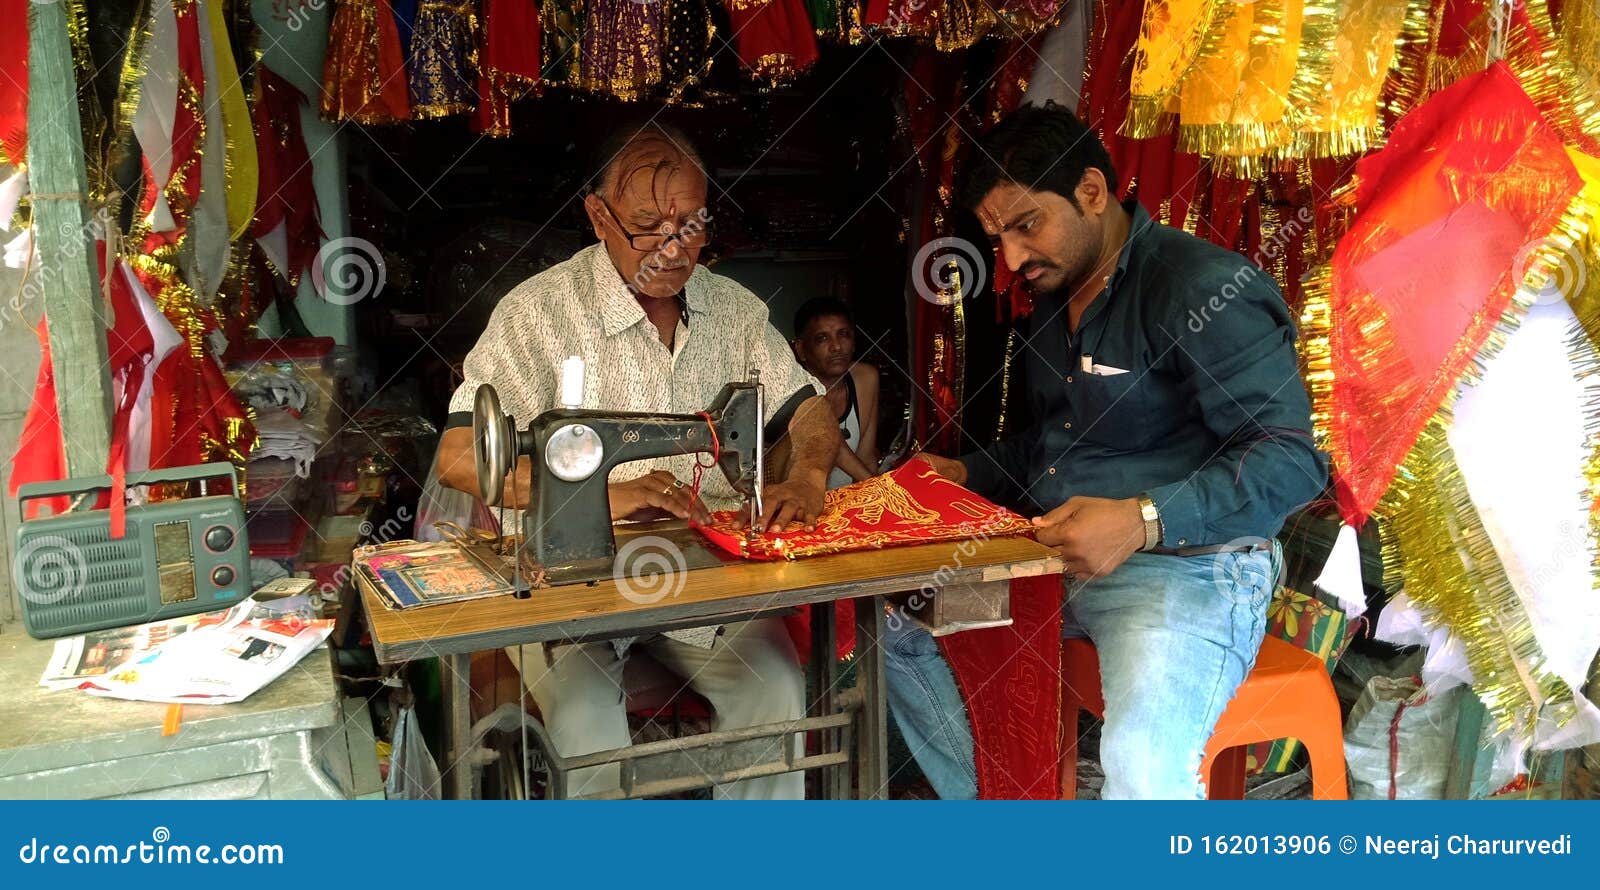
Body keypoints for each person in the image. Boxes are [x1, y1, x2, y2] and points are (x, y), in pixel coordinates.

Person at [889, 102, 1328, 799]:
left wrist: (1142, 518)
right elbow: (1060, 443)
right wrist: (966, 471)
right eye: (997, 237)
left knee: (1143, 763)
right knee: (899, 621)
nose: (1010, 260)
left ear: (1092, 192)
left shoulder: (1201, 288)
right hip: (1056, 559)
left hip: (1190, 569)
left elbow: (1291, 459)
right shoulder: (1054, 297)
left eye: (1026, 225)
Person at [434, 121, 841, 799]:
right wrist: (591, 498)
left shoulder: (733, 310)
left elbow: (809, 410)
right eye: (649, 226)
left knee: (776, 692)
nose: (675, 248)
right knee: (588, 729)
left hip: (704, 574)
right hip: (573, 577)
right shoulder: (537, 314)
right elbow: (455, 457)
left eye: (691, 223)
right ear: (599, 215)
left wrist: (806, 474)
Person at [790, 297, 880, 489]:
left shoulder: (865, 379)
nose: (836, 346)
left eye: (843, 334)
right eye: (822, 338)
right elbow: (830, 441)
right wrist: (879, 489)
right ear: (801, 349)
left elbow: (866, 456)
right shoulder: (792, 387)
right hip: (800, 505)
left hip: (846, 503)